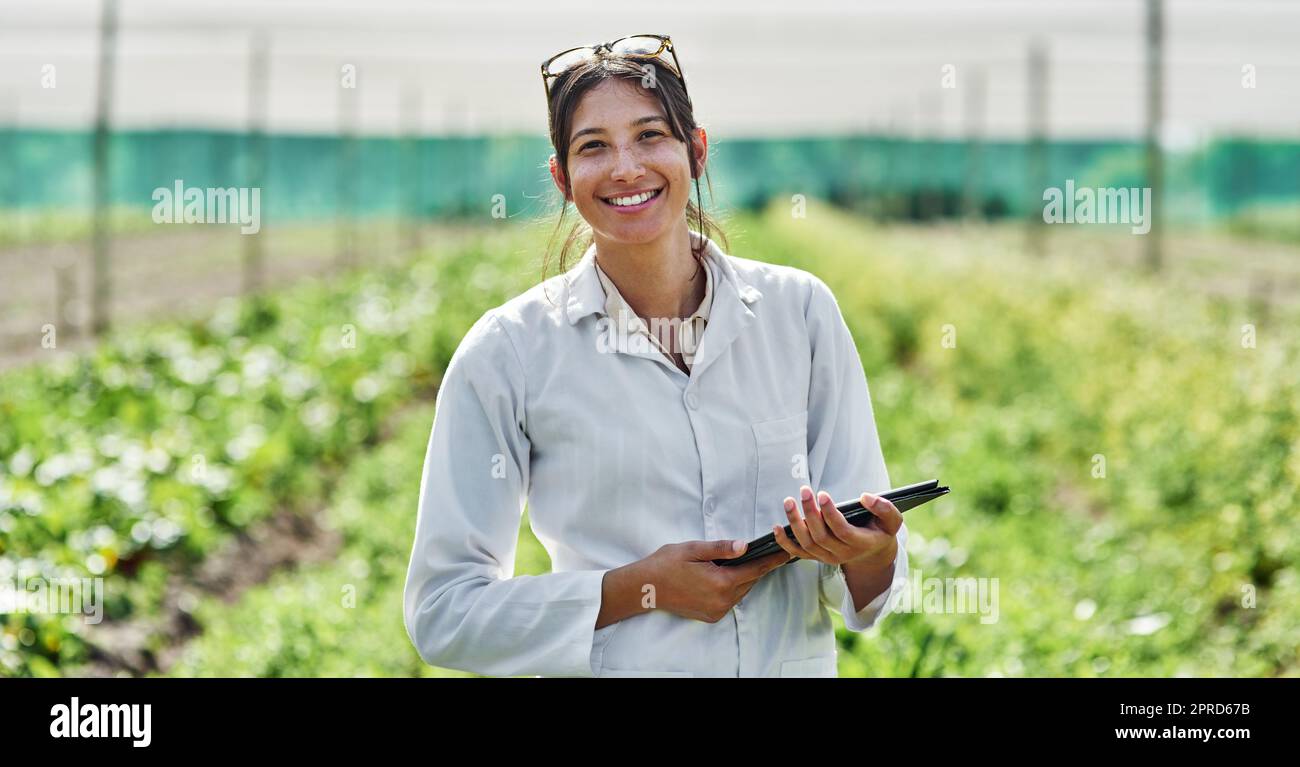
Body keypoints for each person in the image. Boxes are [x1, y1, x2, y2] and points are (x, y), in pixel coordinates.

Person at [403, 34, 910, 677]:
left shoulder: (800, 313)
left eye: (650, 135)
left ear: (694, 151)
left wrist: (867, 556)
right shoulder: (510, 353)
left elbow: (867, 588)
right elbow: (444, 614)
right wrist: (635, 589)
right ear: (563, 177)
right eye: (593, 147)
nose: (626, 168)